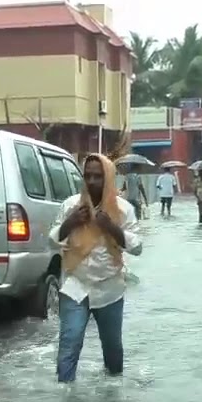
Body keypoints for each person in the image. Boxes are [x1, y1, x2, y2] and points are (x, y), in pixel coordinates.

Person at [50, 153, 144, 383]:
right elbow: (52, 241)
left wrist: (111, 227)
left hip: (109, 289)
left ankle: (113, 393)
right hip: (75, 287)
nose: (91, 181)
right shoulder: (71, 206)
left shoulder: (122, 209)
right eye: (87, 176)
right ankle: (65, 395)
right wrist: (71, 222)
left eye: (98, 176)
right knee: (69, 342)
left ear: (108, 178)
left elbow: (137, 247)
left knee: (113, 350)